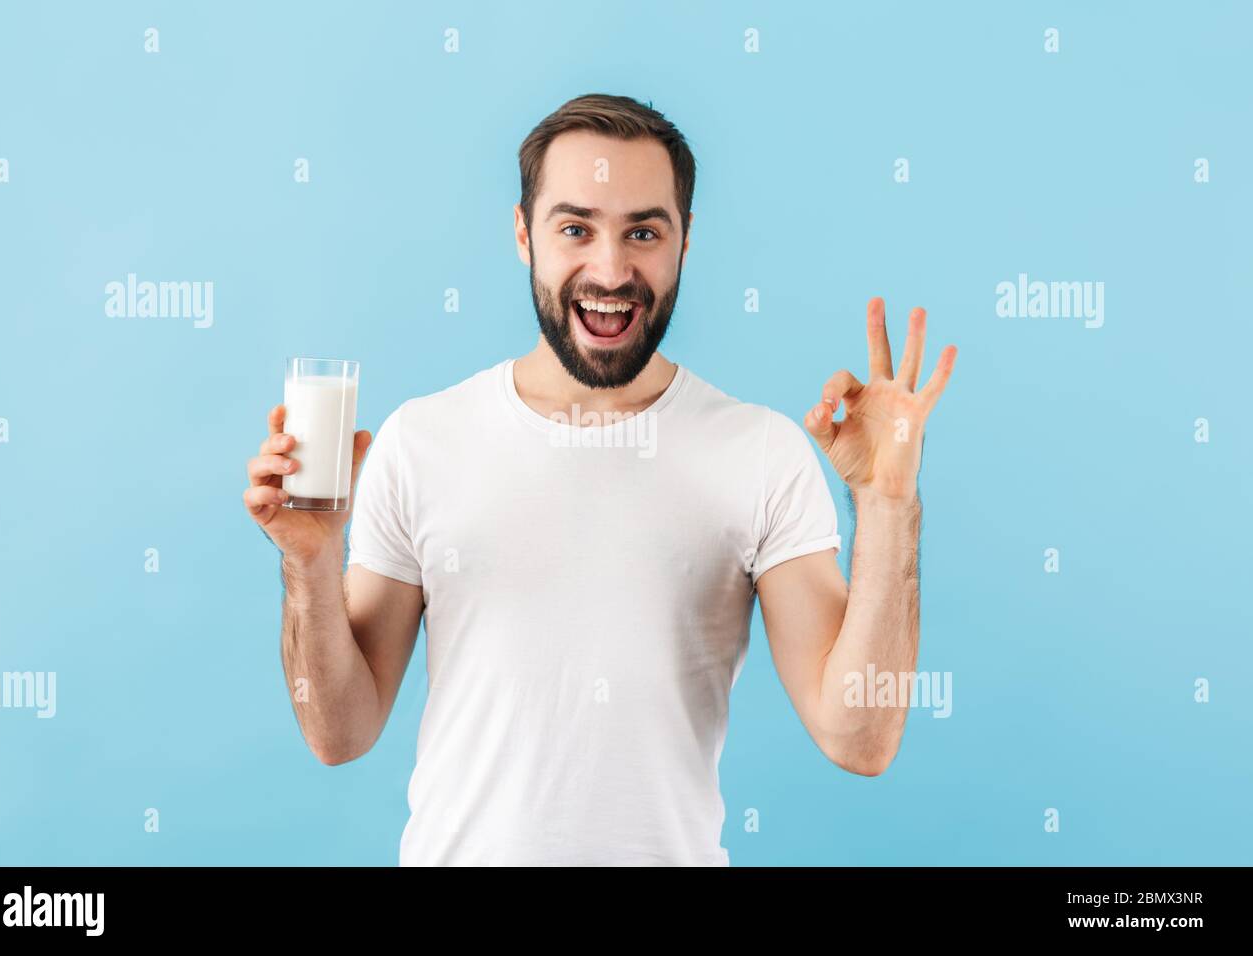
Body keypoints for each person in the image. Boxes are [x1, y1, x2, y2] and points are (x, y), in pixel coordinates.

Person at [243, 93, 957, 866]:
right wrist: (311, 562)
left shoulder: (760, 453)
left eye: (643, 232)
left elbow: (861, 739)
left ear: (686, 241)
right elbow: (340, 734)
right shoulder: (423, 440)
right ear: (524, 234)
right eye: (575, 228)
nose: (612, 271)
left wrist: (888, 506)